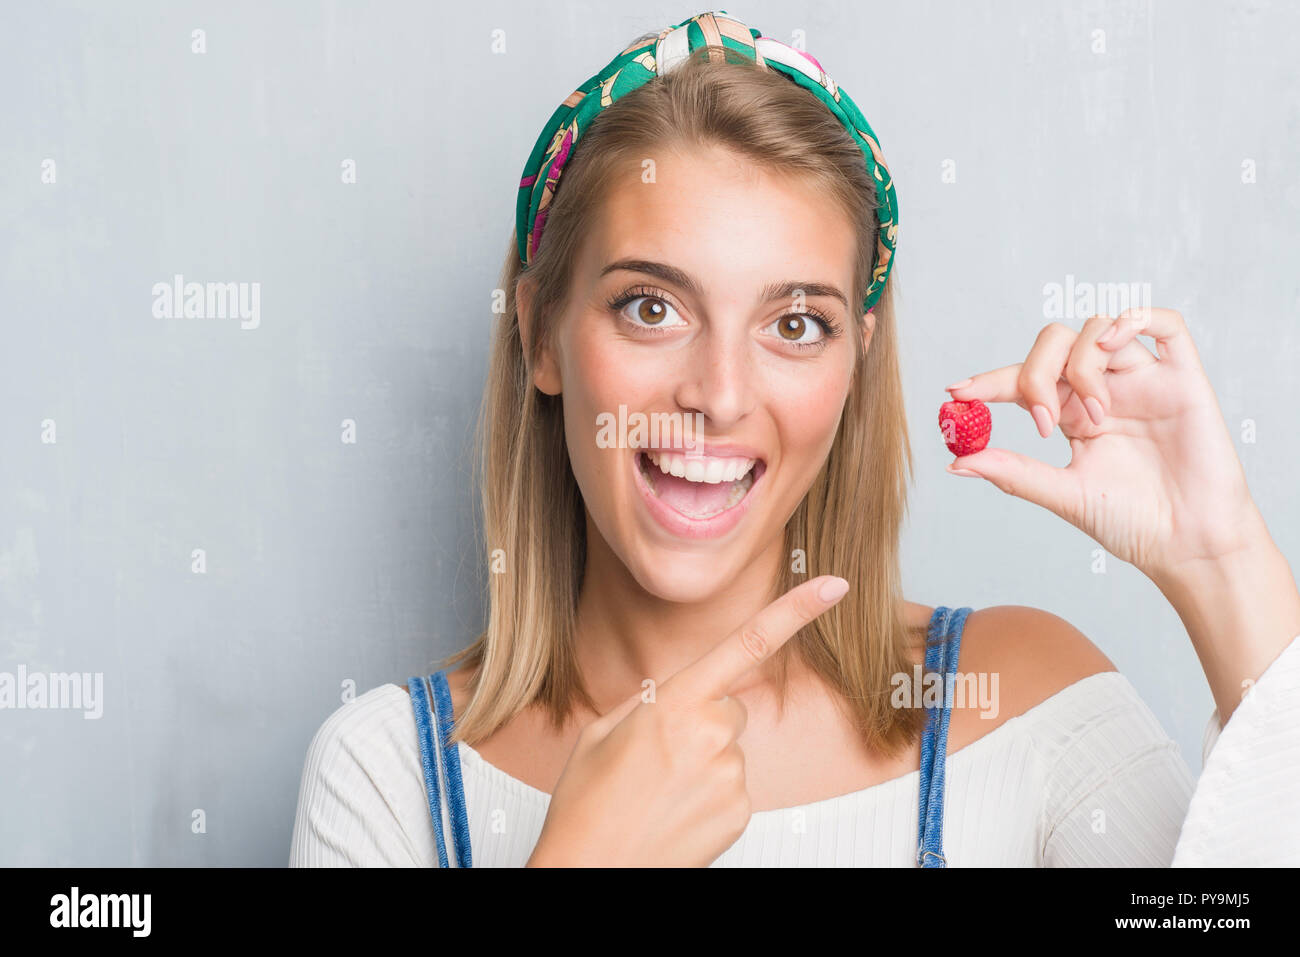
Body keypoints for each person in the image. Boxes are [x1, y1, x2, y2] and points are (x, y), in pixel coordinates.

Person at [288, 11, 1300, 867]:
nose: (720, 395)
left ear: (854, 365)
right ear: (541, 334)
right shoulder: (393, 779)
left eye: (795, 323)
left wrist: (1221, 563)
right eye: (650, 307)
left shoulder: (1025, 706)